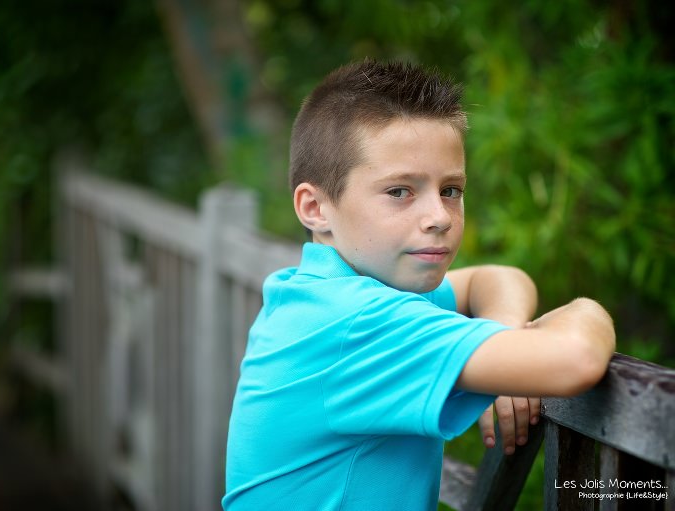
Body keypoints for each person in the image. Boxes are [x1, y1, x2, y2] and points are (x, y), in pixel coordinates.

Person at [222, 60, 615, 510]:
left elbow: (498, 278)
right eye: (400, 192)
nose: (440, 217)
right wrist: (587, 309)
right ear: (315, 207)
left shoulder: (324, 291)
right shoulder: (356, 322)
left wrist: (503, 332)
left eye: (451, 190)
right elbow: (577, 358)